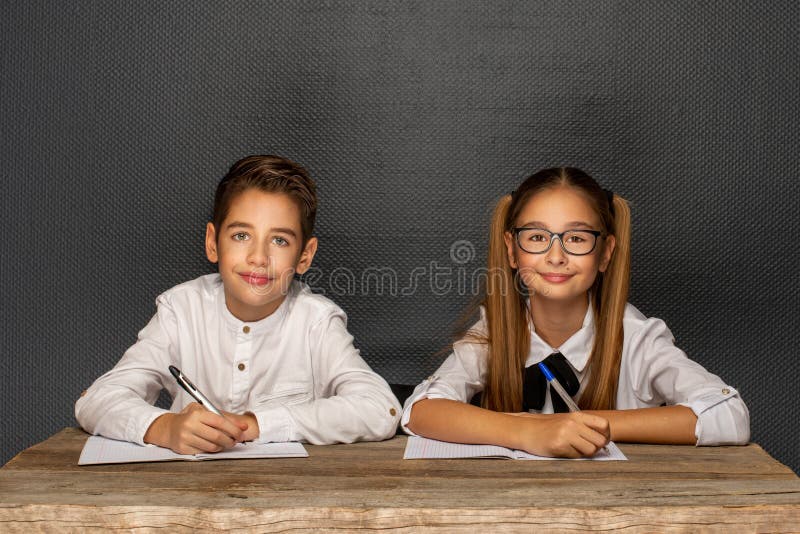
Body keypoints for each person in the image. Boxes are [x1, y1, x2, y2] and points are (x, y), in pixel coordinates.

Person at [402, 167, 749, 458]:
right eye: (537, 238)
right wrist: (527, 431)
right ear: (511, 250)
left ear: (606, 253)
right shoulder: (495, 332)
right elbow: (421, 411)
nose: (556, 256)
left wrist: (588, 424)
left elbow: (729, 415)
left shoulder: (637, 338)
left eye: (577, 239)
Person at [76, 155, 400, 454]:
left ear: (305, 256)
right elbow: (95, 401)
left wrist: (256, 425)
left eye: (279, 240)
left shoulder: (316, 321)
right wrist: (165, 427)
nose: (259, 258)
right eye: (241, 236)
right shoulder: (181, 310)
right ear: (212, 243)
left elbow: (380, 408)